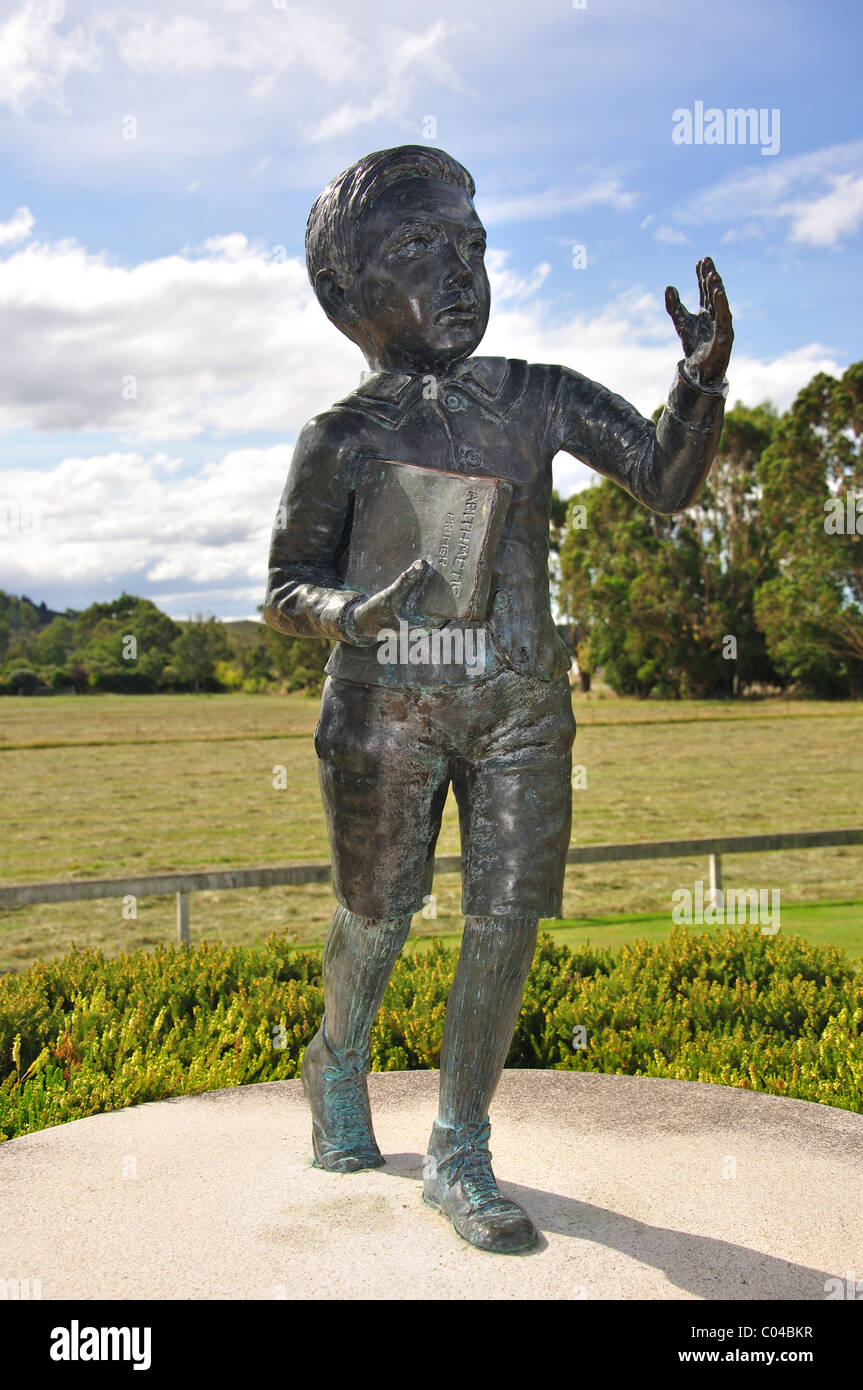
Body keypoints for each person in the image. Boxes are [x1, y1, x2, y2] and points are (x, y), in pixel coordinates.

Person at [263, 145, 732, 1254]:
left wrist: (699, 386)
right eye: (420, 248)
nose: (460, 270)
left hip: (521, 705)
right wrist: (346, 614)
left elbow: (664, 480)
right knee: (377, 921)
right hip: (384, 708)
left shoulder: (537, 395)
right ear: (348, 293)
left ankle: (459, 1145)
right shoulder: (341, 437)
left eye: (471, 246)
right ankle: (337, 1054)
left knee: (505, 922)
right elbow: (282, 588)